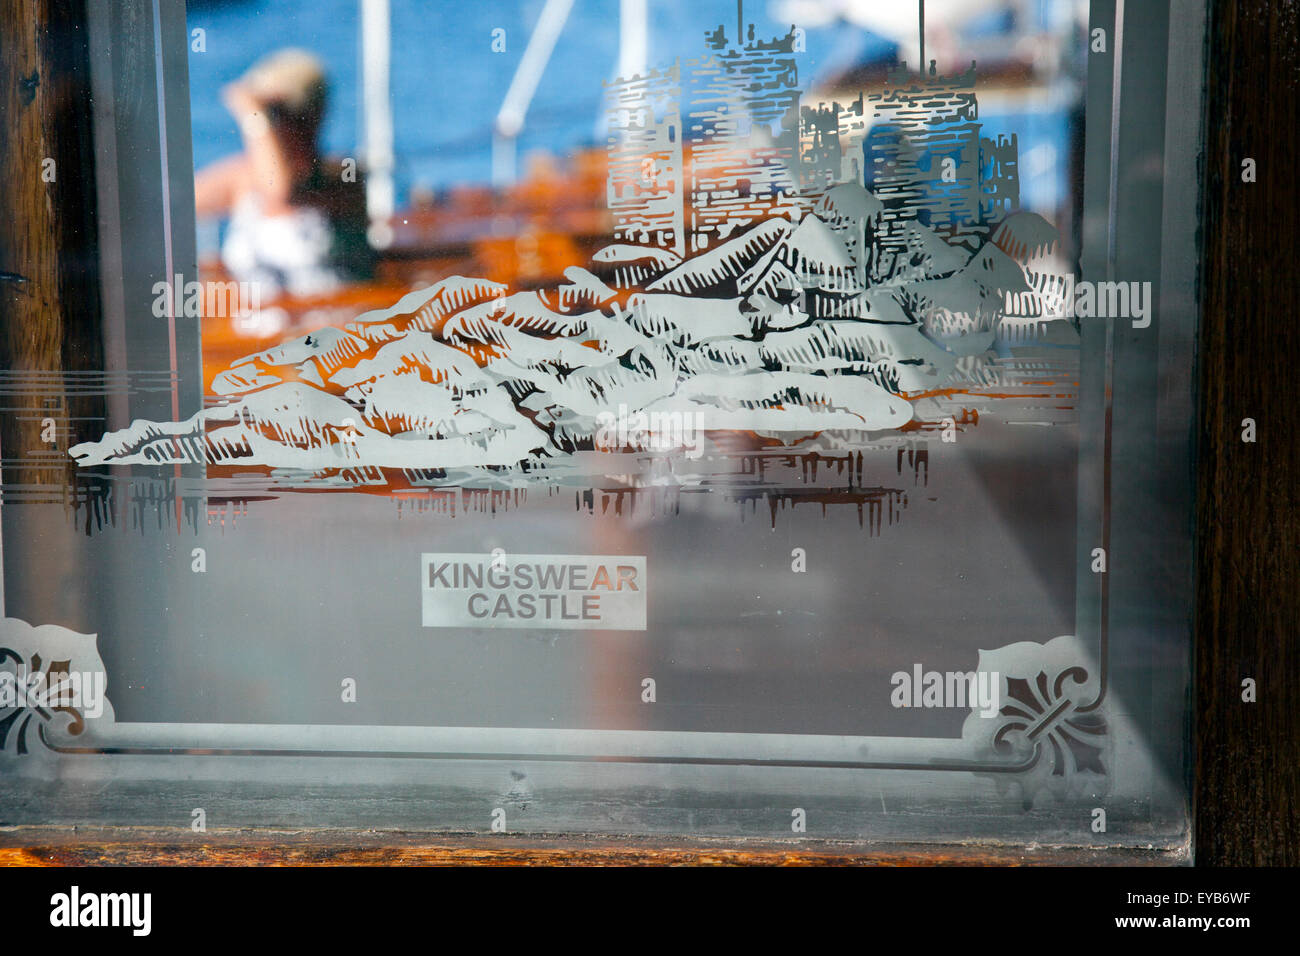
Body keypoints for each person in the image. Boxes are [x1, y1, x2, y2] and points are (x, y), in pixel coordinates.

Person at [194, 48, 373, 299]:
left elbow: (281, 191)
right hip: (260, 333)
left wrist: (253, 115)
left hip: (336, 330)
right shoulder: (241, 177)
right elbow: (169, 206)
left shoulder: (345, 174)